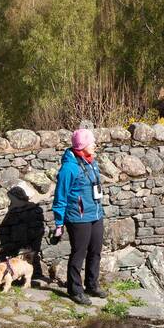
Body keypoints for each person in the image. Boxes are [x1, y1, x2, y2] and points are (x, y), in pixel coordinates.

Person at [51, 127, 105, 304]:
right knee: (79, 253)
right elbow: (60, 197)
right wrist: (59, 224)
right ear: (82, 146)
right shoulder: (69, 168)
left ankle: (92, 284)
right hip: (78, 217)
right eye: (91, 142)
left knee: (95, 251)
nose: (95, 145)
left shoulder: (91, 162)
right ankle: (75, 290)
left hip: (96, 213)